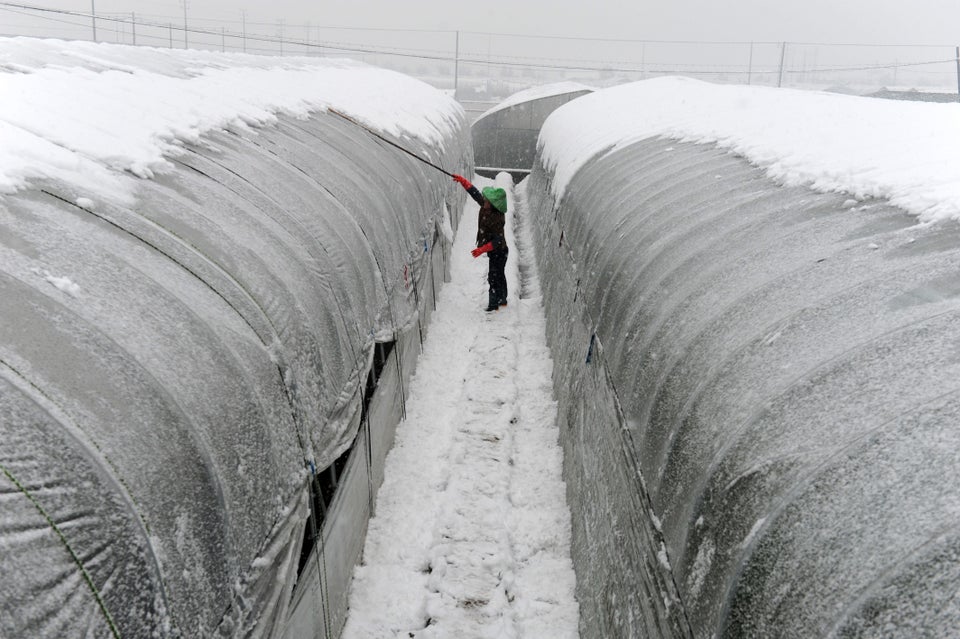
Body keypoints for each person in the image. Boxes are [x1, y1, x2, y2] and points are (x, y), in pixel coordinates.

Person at [451, 174, 509, 311]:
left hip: (499, 251)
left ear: (493, 204)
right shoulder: (486, 206)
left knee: (494, 276)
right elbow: (475, 193)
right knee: (499, 274)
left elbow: (496, 241)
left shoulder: (496, 219)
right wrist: (463, 182)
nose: (484, 200)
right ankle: (502, 299)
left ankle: (493, 304)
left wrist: (481, 249)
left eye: (487, 200)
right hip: (496, 251)